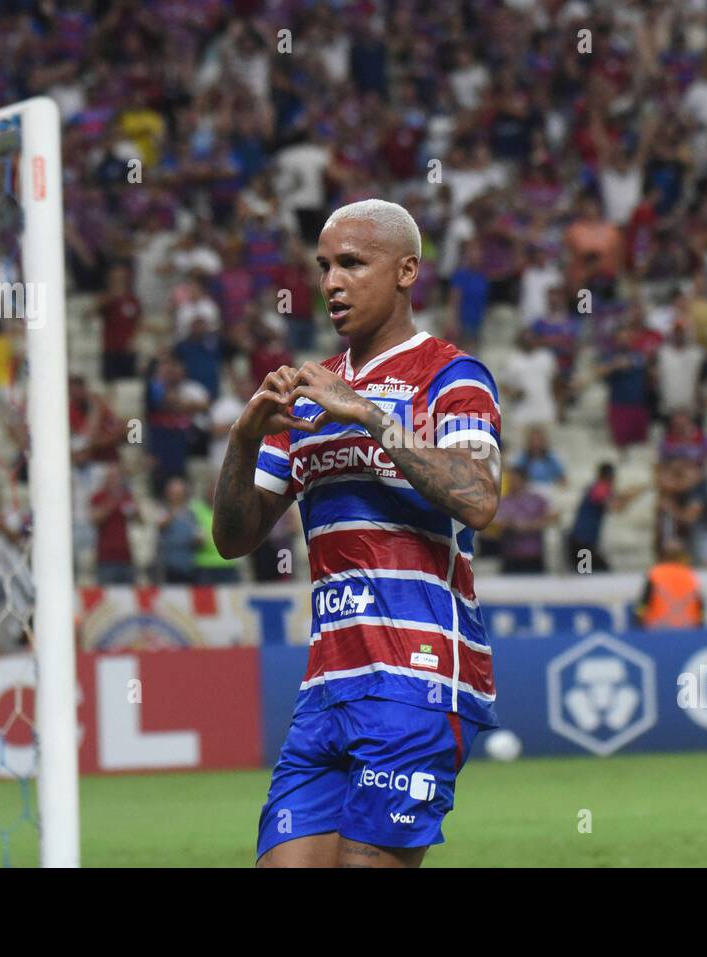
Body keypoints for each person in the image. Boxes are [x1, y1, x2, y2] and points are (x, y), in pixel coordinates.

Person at [212, 200, 501, 868]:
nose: (331, 282)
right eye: (323, 267)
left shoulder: (452, 377)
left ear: (406, 271)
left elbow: (479, 498)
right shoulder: (308, 394)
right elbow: (235, 536)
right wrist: (244, 436)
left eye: (351, 263)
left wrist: (371, 416)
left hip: (417, 679)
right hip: (328, 684)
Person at [565, 462, 648, 573]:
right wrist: (638, 492)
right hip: (582, 544)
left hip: (584, 543)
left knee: (595, 573)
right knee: (590, 576)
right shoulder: (600, 488)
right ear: (610, 477)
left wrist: (634, 493)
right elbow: (616, 506)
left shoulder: (597, 488)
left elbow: (618, 500)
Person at [493, 465, 554, 574]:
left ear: (524, 480)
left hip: (534, 556)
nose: (511, 483)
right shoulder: (503, 501)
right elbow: (496, 522)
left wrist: (531, 525)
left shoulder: (537, 499)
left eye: (514, 480)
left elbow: (553, 515)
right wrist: (513, 525)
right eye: (509, 480)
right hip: (511, 556)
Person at [636, 539, 703, 629]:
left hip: (656, 628)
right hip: (687, 627)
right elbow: (700, 605)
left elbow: (644, 603)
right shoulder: (689, 575)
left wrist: (638, 619)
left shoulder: (655, 573)